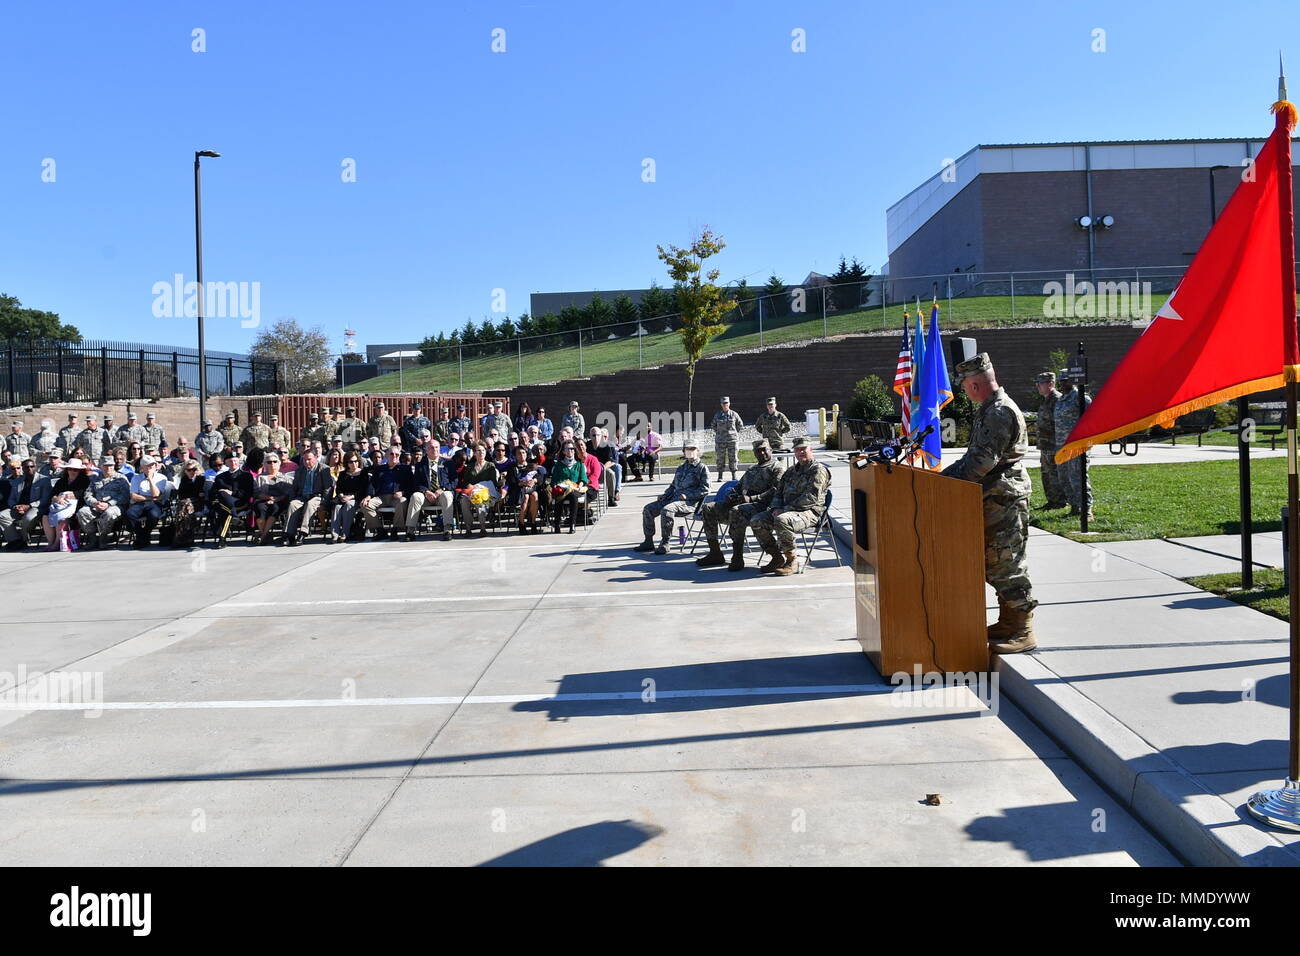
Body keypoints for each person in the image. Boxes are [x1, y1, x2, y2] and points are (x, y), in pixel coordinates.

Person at [942, 352, 1037, 654]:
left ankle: (1023, 629)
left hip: (1004, 499)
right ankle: (1009, 621)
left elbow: (980, 462)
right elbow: (976, 458)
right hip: (994, 498)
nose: (966, 392)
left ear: (973, 386)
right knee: (995, 561)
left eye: (966, 386)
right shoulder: (991, 408)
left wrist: (944, 481)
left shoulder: (998, 412)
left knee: (1005, 563)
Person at [697, 439, 786, 570]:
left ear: (770, 450)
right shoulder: (752, 469)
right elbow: (738, 486)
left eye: (764, 450)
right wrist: (730, 494)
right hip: (744, 503)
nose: (761, 453)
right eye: (758, 451)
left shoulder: (777, 467)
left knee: (737, 511)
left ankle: (738, 556)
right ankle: (715, 553)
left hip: (763, 506)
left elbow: (776, 491)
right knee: (708, 508)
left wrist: (752, 498)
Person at [749, 436, 831, 576]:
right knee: (757, 520)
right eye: (797, 450)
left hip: (809, 513)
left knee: (782, 520)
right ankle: (776, 558)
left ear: (810, 449)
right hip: (786, 511)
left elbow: (810, 498)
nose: (800, 452)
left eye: (803, 449)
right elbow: (778, 492)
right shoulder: (791, 471)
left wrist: (784, 509)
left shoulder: (818, 471)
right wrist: (775, 508)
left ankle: (792, 561)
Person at [636, 440, 710, 554]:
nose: (690, 452)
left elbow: (705, 489)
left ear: (698, 451)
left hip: (689, 504)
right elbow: (673, 486)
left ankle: (665, 543)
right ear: (683, 451)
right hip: (673, 500)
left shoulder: (702, 468)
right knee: (648, 509)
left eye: (693, 449)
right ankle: (648, 541)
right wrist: (665, 495)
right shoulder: (681, 467)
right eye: (687, 449)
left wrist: (688, 496)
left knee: (667, 510)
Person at [1054, 375, 1093, 521]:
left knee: (1078, 476)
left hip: (1077, 446)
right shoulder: (1061, 399)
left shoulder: (1081, 397)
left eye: (1065, 380)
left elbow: (1090, 419)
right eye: (1061, 381)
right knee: (1064, 477)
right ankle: (1074, 506)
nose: (1062, 383)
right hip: (1062, 446)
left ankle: (1086, 509)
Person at [76, 456, 131, 549]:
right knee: (82, 512)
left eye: (111, 466)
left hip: (115, 506)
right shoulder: (95, 479)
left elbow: (125, 496)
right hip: (96, 506)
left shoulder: (121, 478)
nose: (108, 468)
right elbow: (87, 494)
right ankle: (92, 538)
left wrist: (109, 504)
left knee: (109, 513)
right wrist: (95, 503)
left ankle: (103, 538)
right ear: (100, 467)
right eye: (106, 466)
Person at [281, 448, 333, 545]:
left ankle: (303, 533)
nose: (306, 462)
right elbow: (294, 488)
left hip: (317, 496)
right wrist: (293, 498)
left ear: (316, 458)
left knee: (310, 504)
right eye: (304, 460)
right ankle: (289, 534)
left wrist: (324, 503)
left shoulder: (323, 469)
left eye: (309, 459)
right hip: (302, 496)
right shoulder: (300, 470)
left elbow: (328, 489)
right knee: (293, 504)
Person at [362, 446, 416, 540]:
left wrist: (403, 493)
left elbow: (412, 486)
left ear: (399, 456)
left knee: (402, 501)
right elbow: (372, 484)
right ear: (386, 455)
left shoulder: (405, 469)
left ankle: (395, 530)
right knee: (365, 505)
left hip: (396, 498)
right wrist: (368, 496)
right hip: (381, 497)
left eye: (397, 454)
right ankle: (380, 530)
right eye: (391, 454)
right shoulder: (379, 469)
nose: (394, 456)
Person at [1033, 372, 1068, 510]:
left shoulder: (1058, 400)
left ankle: (1060, 501)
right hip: (1045, 445)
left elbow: (1061, 423)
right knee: (1046, 474)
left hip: (1054, 444)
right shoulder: (1046, 400)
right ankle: (1051, 501)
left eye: (1040, 383)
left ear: (1050, 384)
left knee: (1055, 474)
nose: (1037, 387)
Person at [0, 458, 51, 549]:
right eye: (27, 467)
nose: (30, 469)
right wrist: (15, 506)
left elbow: (45, 499)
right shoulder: (17, 481)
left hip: (36, 508)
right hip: (19, 508)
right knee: (2, 515)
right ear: (23, 469)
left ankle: (24, 540)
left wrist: (29, 506)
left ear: (35, 467)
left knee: (28, 518)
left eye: (32, 466)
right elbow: (11, 499)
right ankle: (15, 541)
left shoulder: (44, 480)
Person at [42, 457, 91, 550]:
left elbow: (84, 494)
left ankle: (57, 543)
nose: (72, 471)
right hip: (59, 505)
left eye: (75, 469)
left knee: (61, 517)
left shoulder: (85, 480)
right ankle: (51, 542)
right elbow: (52, 495)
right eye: (70, 469)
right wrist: (57, 498)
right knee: (45, 516)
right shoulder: (62, 481)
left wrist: (70, 495)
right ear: (67, 469)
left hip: (75, 507)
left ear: (80, 471)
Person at [209, 452, 254, 549]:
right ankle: (234, 518)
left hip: (240, 503)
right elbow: (212, 493)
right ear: (226, 463)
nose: (233, 463)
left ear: (239, 462)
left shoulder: (246, 476)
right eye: (230, 461)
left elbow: (247, 494)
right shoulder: (220, 477)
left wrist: (231, 493)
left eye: (235, 461)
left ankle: (222, 539)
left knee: (223, 509)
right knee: (222, 501)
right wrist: (223, 494)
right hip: (223, 504)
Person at [125, 456, 172, 548]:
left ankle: (145, 534)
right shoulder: (136, 478)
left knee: (154, 515)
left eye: (153, 465)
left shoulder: (161, 477)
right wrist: (150, 498)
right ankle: (141, 535)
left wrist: (150, 479)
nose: (151, 468)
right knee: (129, 514)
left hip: (155, 504)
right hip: (140, 503)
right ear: (142, 467)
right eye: (148, 466)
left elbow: (156, 494)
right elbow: (134, 496)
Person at [456, 441, 499, 537]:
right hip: (470, 491)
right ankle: (468, 528)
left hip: (486, 492)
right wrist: (469, 486)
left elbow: (493, 482)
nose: (481, 453)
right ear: (474, 453)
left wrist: (479, 487)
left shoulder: (490, 465)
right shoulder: (470, 467)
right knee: (463, 500)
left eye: (483, 450)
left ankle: (482, 528)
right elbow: (465, 482)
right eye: (478, 451)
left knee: (479, 498)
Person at [251, 453, 293, 545]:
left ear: (279, 463)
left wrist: (276, 499)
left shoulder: (286, 478)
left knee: (275, 508)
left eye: (275, 461)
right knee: (259, 507)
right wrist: (268, 498)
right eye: (269, 462)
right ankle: (265, 535)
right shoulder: (259, 478)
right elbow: (256, 493)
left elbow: (289, 492)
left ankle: (262, 536)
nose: (272, 464)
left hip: (280, 501)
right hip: (263, 500)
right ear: (264, 464)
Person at [331, 452, 372, 543]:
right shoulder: (343, 474)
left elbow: (363, 490)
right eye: (351, 462)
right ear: (347, 463)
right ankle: (335, 535)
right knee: (337, 507)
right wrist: (341, 496)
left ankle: (345, 533)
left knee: (349, 505)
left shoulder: (363, 473)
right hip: (343, 498)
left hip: (356, 498)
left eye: (356, 461)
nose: (354, 463)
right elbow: (339, 489)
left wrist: (351, 497)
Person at [548, 439, 587, 534]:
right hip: (562, 489)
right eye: (568, 449)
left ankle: (572, 525)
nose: (570, 450)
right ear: (564, 451)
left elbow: (583, 479)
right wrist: (560, 485)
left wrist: (578, 486)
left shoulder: (579, 464)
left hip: (574, 489)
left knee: (573, 496)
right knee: (559, 497)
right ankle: (557, 524)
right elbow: (554, 481)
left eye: (572, 448)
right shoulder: (559, 465)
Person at [170, 458, 209, 548]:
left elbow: (201, 495)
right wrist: (194, 493)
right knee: (185, 509)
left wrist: (193, 492)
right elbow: (181, 495)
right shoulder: (184, 480)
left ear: (197, 469)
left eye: (194, 469)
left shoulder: (201, 479)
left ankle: (180, 539)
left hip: (199, 504)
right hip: (186, 505)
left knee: (183, 508)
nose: (192, 472)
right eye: (189, 470)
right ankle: (187, 539)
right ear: (185, 471)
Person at [505, 445, 542, 533]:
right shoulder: (512, 467)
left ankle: (533, 523)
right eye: (519, 453)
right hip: (517, 491)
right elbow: (512, 482)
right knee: (526, 497)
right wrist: (523, 483)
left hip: (531, 489)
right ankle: (521, 523)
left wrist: (534, 480)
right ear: (515, 455)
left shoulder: (531, 465)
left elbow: (540, 477)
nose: (521, 455)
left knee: (535, 495)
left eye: (523, 453)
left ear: (526, 454)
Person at [711, 396, 743, 481]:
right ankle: (720, 475)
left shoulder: (734, 414)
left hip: (732, 440)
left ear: (729, 404)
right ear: (721, 404)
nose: (725, 405)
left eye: (726, 403)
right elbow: (713, 425)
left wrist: (734, 433)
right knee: (720, 458)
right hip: (720, 440)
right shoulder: (718, 415)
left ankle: (734, 474)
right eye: (723, 403)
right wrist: (719, 433)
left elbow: (740, 425)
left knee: (733, 458)